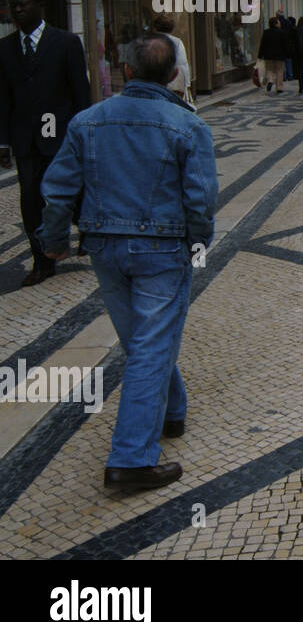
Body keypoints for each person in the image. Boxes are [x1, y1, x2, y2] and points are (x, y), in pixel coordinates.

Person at [37, 32, 217, 491]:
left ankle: (172, 414)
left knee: (144, 341)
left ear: (127, 72)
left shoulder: (87, 121)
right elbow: (200, 200)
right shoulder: (188, 125)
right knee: (152, 345)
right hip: (161, 250)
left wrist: (54, 240)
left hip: (104, 248)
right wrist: (199, 243)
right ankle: (131, 460)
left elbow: (57, 188)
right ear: (175, 75)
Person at [0, 0, 93, 287]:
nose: (17, 11)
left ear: (39, 5)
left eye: (23, 5)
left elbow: (81, 92)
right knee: (30, 200)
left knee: (69, 193)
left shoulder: (66, 43)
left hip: (61, 134)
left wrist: (84, 133)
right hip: (25, 139)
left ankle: (87, 232)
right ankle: (42, 261)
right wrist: (3, 141)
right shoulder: (5, 48)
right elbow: (3, 98)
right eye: (13, 6)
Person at [151, 13, 191, 104]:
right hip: (175, 83)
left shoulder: (150, 42)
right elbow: (183, 64)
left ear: (155, 27)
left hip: (156, 84)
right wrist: (187, 83)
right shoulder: (177, 42)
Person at [256, 16, 288, 94]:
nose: (280, 23)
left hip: (268, 55)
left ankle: (270, 80)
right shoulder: (282, 32)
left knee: (269, 70)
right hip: (280, 55)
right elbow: (285, 45)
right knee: (279, 71)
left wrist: (260, 55)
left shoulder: (266, 32)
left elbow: (263, 44)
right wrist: (287, 54)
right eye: (279, 22)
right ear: (276, 24)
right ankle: (279, 87)